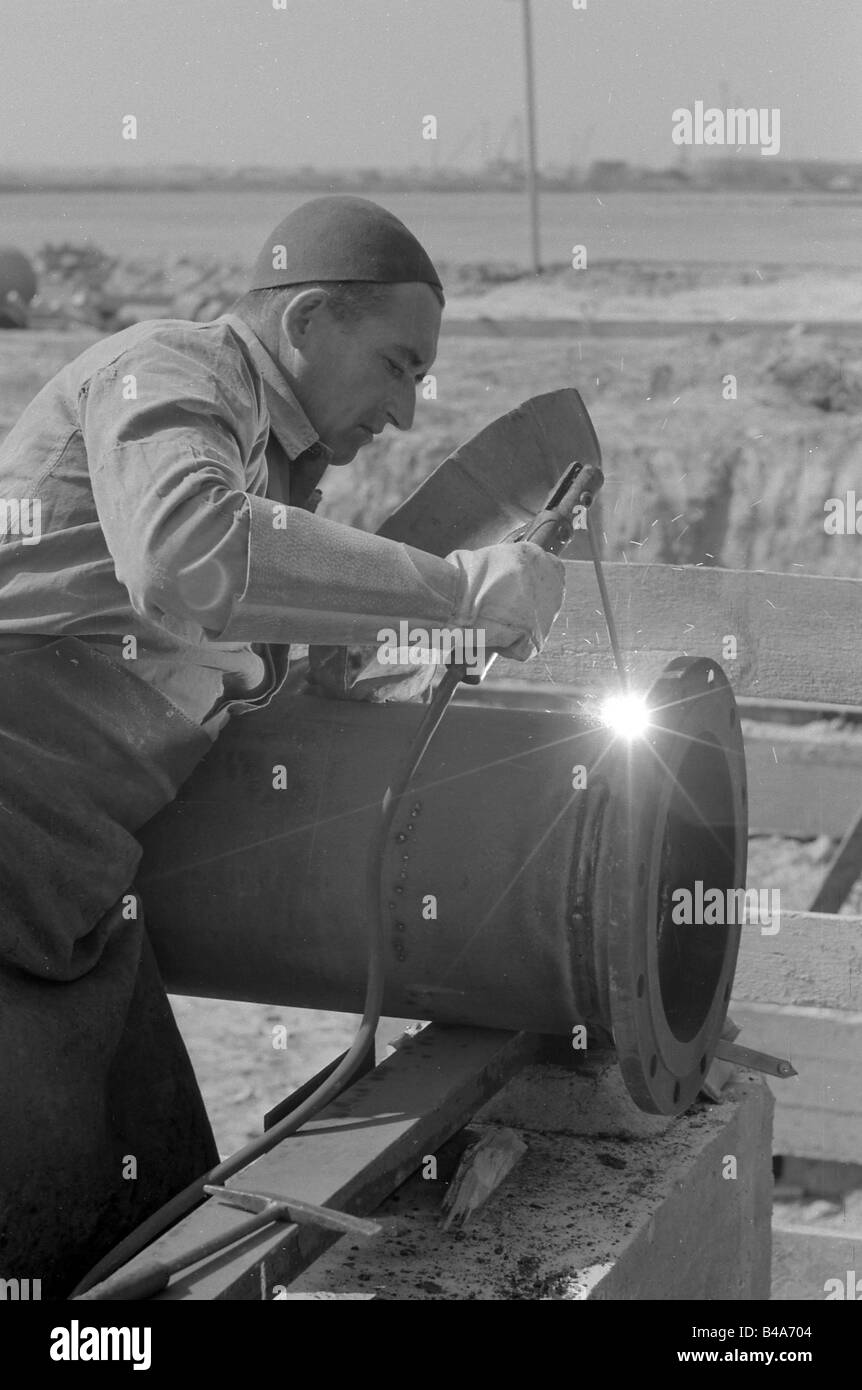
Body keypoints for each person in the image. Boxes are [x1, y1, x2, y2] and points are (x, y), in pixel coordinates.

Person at [0, 195, 564, 1296]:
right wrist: (452, 592)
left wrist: (354, 647)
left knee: (150, 1211)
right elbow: (186, 557)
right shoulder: (164, 373)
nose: (404, 412)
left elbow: (218, 634)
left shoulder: (276, 475)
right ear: (305, 320)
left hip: (70, 893)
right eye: (397, 365)